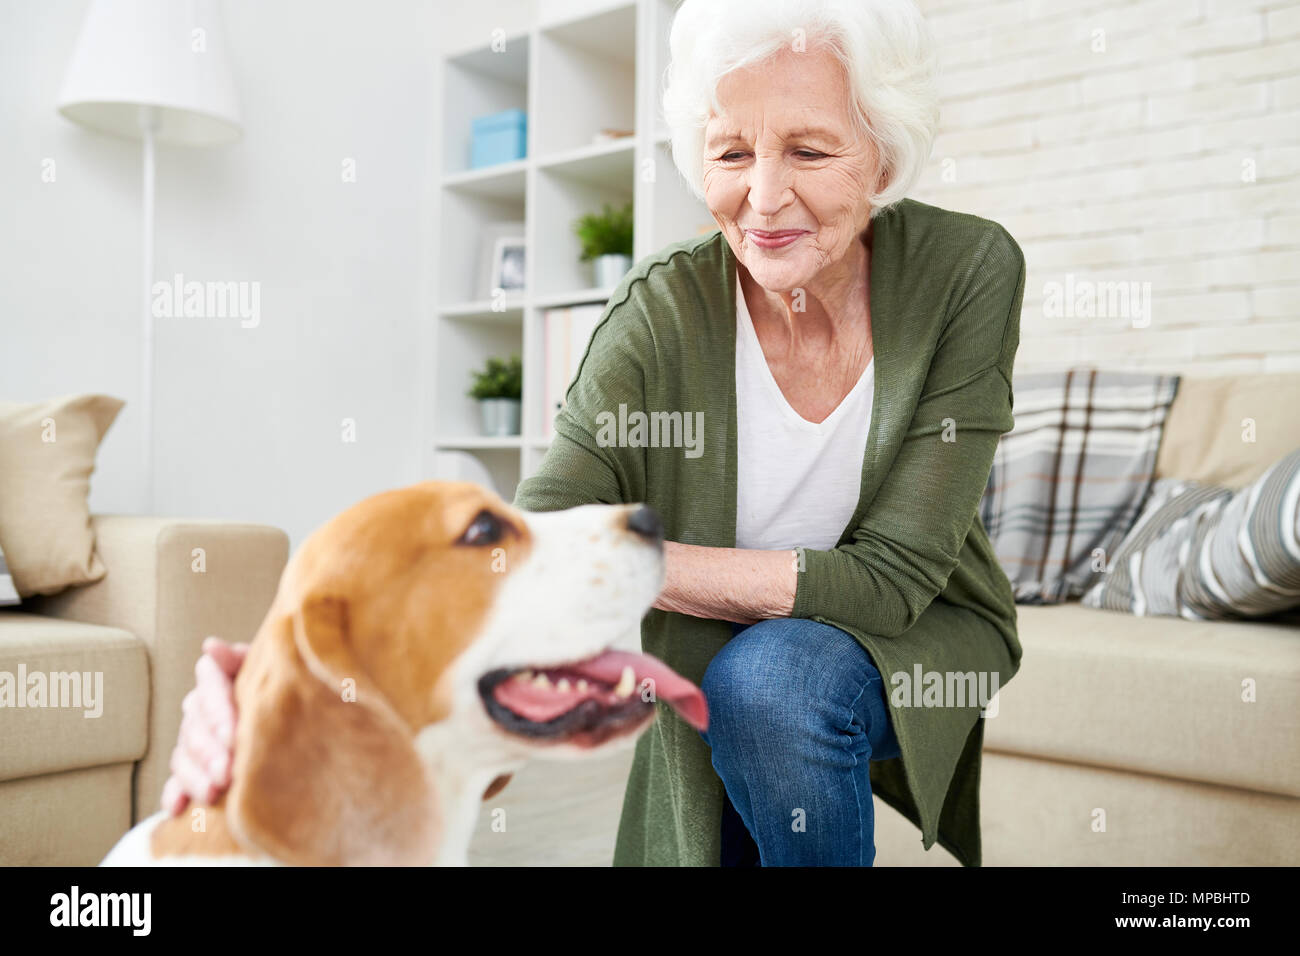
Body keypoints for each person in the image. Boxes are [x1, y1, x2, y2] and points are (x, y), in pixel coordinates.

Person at [163, 0, 1025, 867]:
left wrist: (635, 565)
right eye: (731, 152)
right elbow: (523, 549)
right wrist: (289, 684)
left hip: (919, 626)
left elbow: (894, 578)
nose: (763, 197)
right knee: (751, 691)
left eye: (808, 149)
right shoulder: (659, 310)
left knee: (772, 680)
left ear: (883, 153)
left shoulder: (969, 270)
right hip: (723, 648)